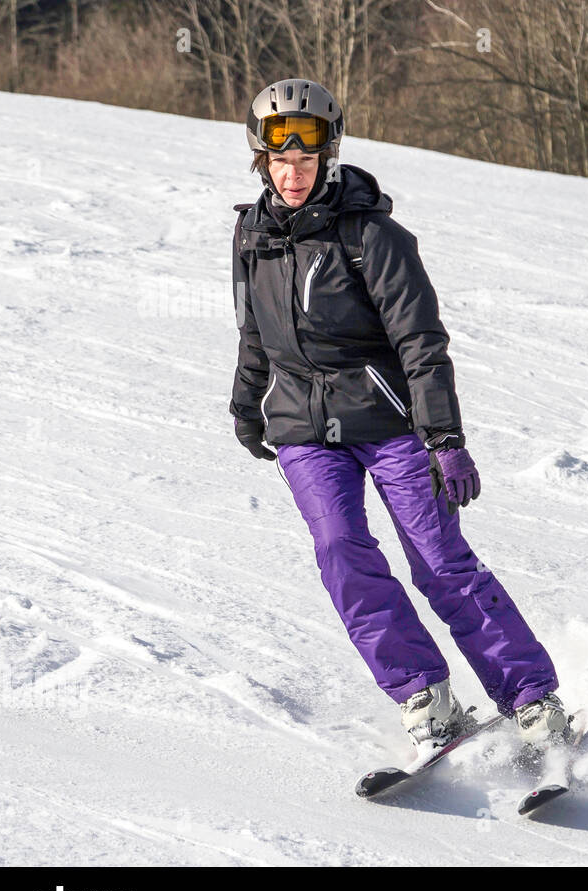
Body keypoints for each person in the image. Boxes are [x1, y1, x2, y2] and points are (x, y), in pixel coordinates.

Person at [228, 78, 566, 752]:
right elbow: (253, 331)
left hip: (389, 423)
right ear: (261, 160)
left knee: (439, 560)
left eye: (306, 159)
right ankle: (423, 697)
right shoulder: (250, 233)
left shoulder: (374, 235)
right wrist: (246, 403)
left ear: (330, 155)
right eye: (280, 161)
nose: (293, 174)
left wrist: (444, 436)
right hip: (302, 426)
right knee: (341, 554)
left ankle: (532, 701)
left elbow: (420, 339)